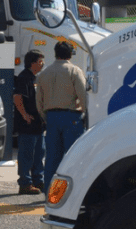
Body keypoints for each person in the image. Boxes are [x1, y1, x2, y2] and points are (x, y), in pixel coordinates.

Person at [36, 41, 87, 192]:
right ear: (70, 54)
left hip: (51, 117)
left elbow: (38, 101)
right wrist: (86, 114)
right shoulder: (74, 71)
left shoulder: (44, 73)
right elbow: (83, 96)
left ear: (55, 53)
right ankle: (75, 192)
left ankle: (50, 192)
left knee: (52, 158)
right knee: (74, 157)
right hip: (71, 117)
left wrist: (45, 117)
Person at [13, 49, 45, 195]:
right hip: (27, 124)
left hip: (38, 124)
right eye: (40, 61)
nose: (42, 64)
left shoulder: (35, 78)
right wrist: (24, 114)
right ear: (32, 63)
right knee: (27, 154)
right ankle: (25, 183)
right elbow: (17, 97)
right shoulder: (24, 77)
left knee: (39, 153)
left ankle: (38, 180)